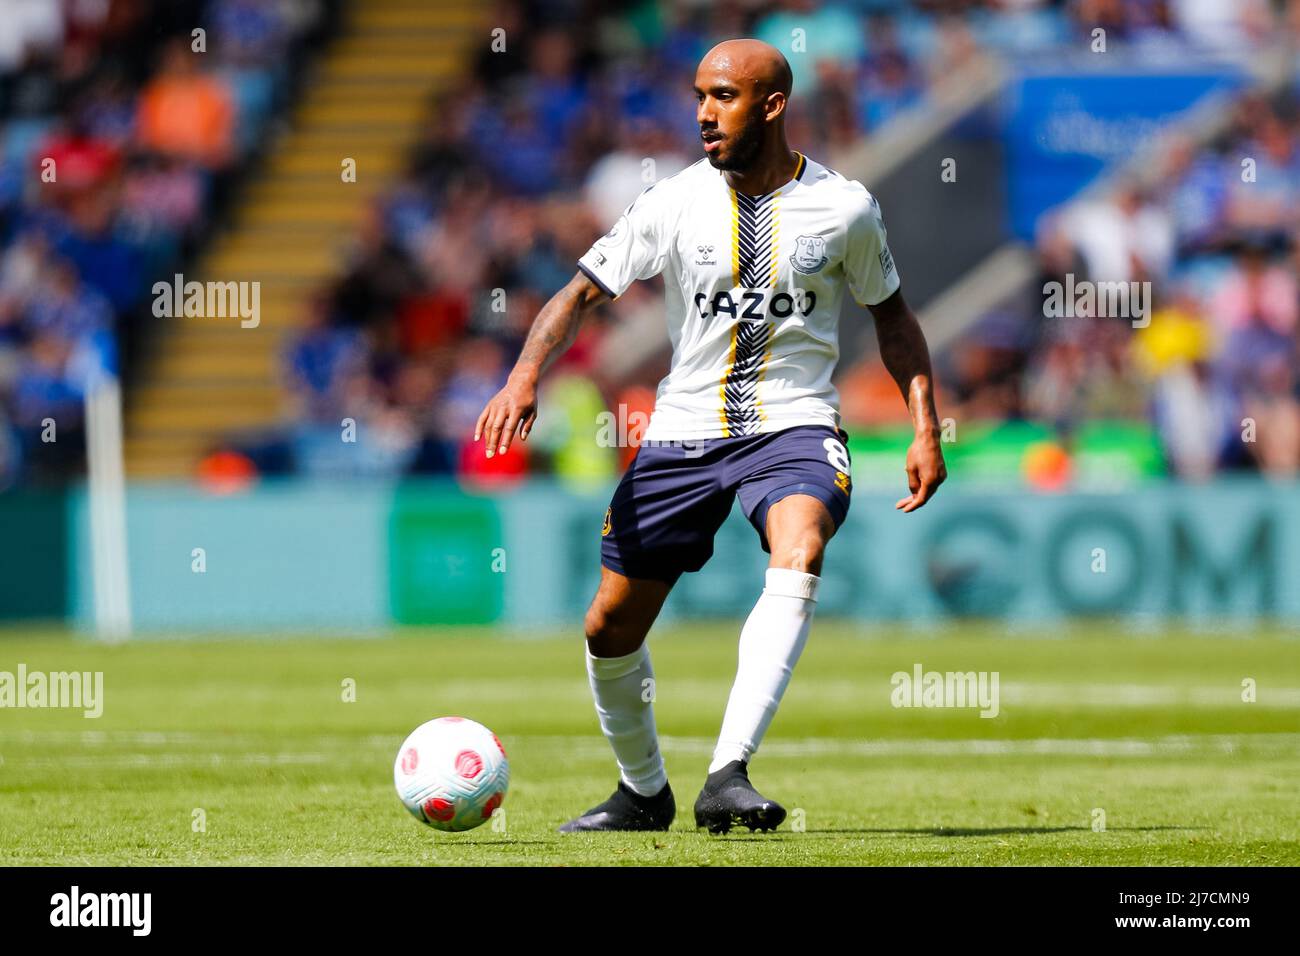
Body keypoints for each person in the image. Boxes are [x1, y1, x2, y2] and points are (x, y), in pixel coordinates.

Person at [475, 39, 946, 834]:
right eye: (698, 95)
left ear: (772, 105)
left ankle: (728, 772)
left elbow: (893, 318)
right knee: (608, 625)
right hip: (683, 428)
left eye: (723, 97)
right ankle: (642, 792)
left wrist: (925, 426)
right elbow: (576, 296)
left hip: (794, 422)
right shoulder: (674, 201)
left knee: (800, 547)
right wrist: (523, 377)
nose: (702, 113)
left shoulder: (845, 208)